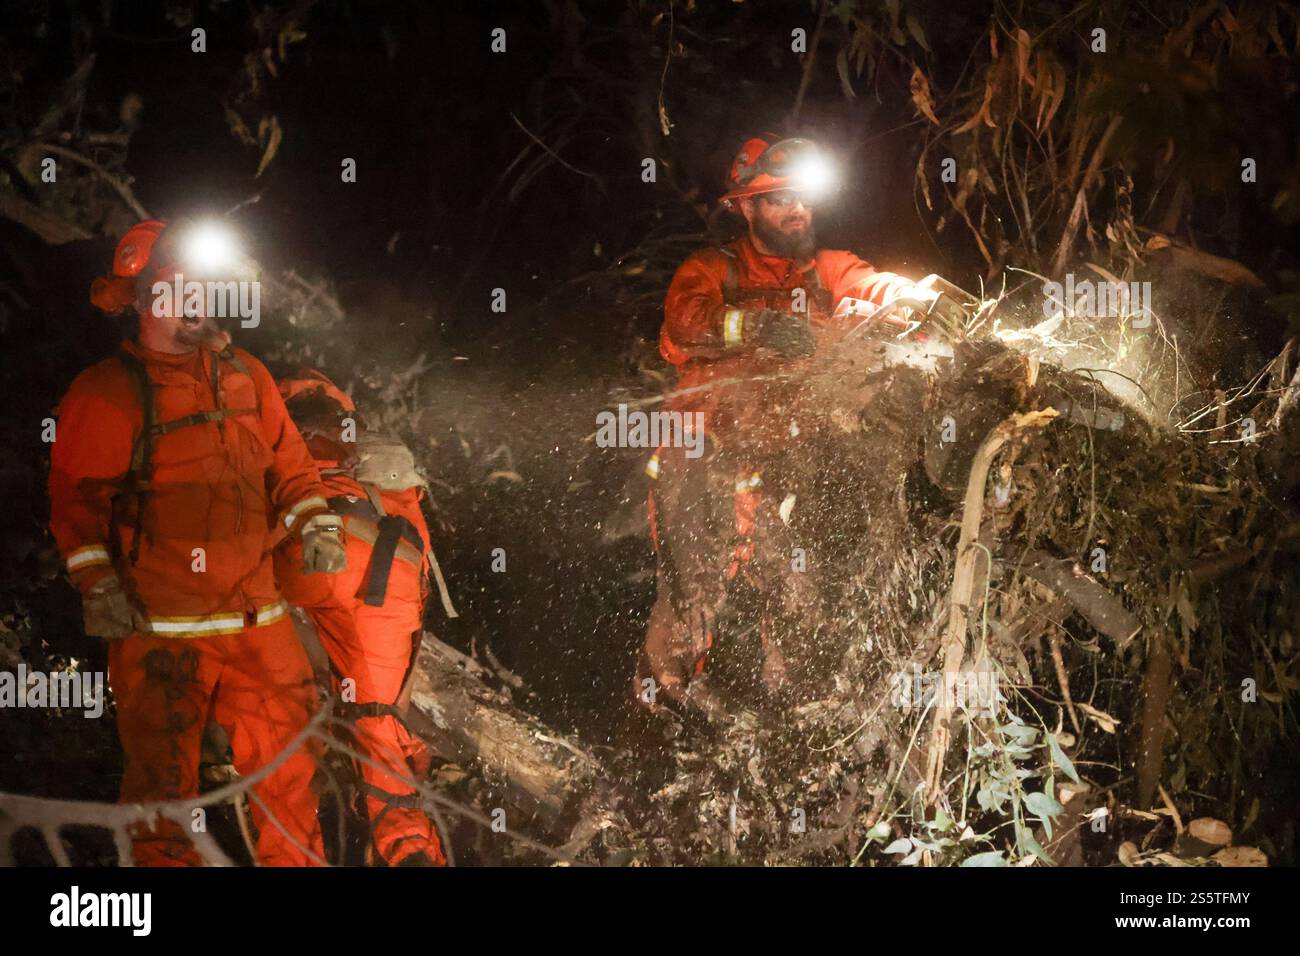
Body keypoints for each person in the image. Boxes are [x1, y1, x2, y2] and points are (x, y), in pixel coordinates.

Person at [635, 134, 969, 712]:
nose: (797, 211)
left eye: (803, 200)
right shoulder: (714, 269)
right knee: (692, 595)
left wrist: (917, 296)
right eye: (779, 199)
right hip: (700, 457)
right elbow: (686, 322)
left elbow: (873, 284)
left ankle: (787, 726)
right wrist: (755, 326)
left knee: (797, 595)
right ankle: (652, 728)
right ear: (745, 207)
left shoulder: (828, 269)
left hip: (784, 463)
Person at [49, 218, 345, 865]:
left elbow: (291, 467)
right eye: (175, 289)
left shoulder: (248, 377)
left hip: (258, 621)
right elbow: (75, 505)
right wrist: (97, 583)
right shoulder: (107, 394)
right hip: (162, 628)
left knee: (290, 778)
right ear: (141, 301)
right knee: (160, 797)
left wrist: (315, 520)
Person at [272, 369, 450, 866]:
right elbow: (418, 538)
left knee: (271, 727)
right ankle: (407, 848)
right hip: (387, 567)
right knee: (380, 729)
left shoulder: (269, 424)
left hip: (305, 553)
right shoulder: (374, 450)